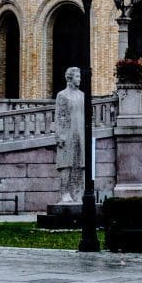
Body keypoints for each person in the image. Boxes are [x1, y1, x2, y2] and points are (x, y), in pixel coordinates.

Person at [54, 67, 86, 203]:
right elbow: (59, 115)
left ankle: (78, 193)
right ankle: (65, 193)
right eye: (77, 77)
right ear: (69, 78)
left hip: (80, 133)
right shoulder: (62, 95)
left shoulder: (82, 95)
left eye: (80, 76)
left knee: (80, 164)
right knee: (66, 165)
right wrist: (60, 135)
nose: (79, 79)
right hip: (67, 134)